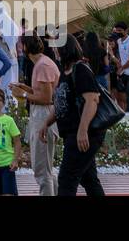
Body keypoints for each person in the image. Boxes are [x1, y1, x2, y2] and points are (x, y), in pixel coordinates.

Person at [45, 34, 106, 196]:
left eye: (56, 48)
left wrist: (82, 130)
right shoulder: (66, 72)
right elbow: (62, 105)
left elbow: (92, 100)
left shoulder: (80, 69)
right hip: (74, 132)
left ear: (64, 49)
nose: (54, 52)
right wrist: (46, 124)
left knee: (66, 179)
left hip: (84, 133)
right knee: (89, 179)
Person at [11, 34, 59, 195]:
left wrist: (23, 95)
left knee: (41, 169)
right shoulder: (43, 63)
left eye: (20, 45)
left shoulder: (42, 66)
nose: (18, 49)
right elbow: (42, 92)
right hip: (42, 113)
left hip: (43, 115)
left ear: (25, 47)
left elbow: (46, 98)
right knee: (46, 168)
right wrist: (25, 88)